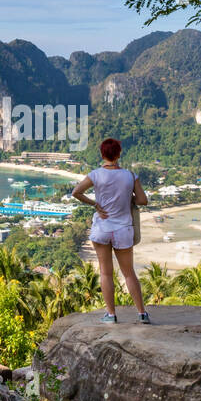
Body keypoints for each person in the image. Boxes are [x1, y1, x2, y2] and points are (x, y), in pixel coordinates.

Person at [71, 137, 150, 323]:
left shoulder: (96, 174)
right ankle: (142, 313)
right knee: (129, 272)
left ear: (102, 154)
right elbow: (142, 200)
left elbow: (76, 192)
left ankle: (111, 315)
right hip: (123, 229)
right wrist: (127, 199)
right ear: (119, 153)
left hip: (102, 229)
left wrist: (95, 204)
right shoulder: (130, 176)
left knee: (105, 273)